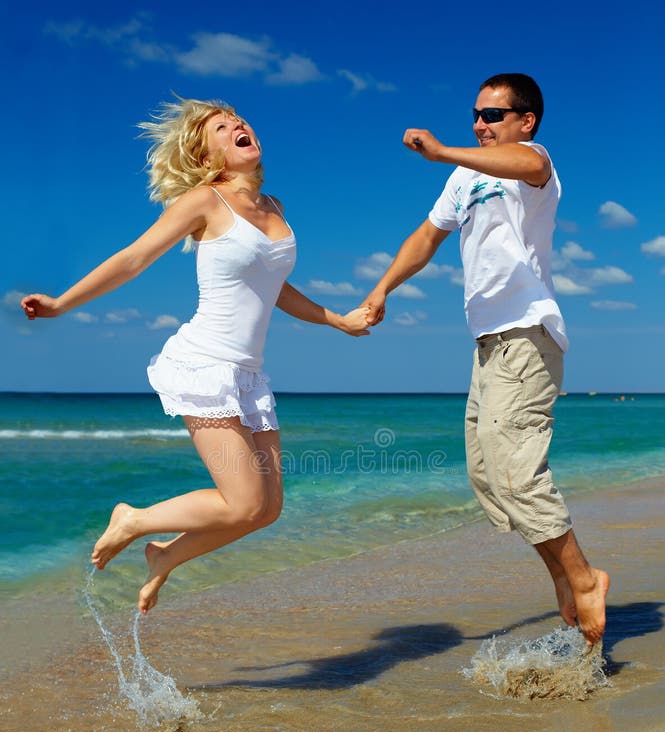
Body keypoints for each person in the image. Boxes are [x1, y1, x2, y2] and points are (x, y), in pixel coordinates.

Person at [22, 97, 371, 614]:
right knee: (244, 501)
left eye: (240, 121)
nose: (238, 127)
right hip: (204, 364)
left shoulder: (274, 207)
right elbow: (134, 258)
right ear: (208, 159)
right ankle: (133, 519)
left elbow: (274, 287)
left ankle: (164, 557)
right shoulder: (205, 201)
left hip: (248, 376)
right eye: (222, 128)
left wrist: (335, 319)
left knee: (266, 510)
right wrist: (61, 302)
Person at [362, 73, 608, 646]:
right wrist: (381, 290)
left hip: (527, 335)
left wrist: (443, 149)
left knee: (519, 475)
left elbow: (528, 166)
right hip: (488, 344)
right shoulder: (465, 176)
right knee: (491, 480)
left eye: (493, 115)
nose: (480, 123)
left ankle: (585, 578)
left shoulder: (533, 162)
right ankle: (565, 580)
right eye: (475, 114)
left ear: (526, 121)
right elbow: (427, 236)